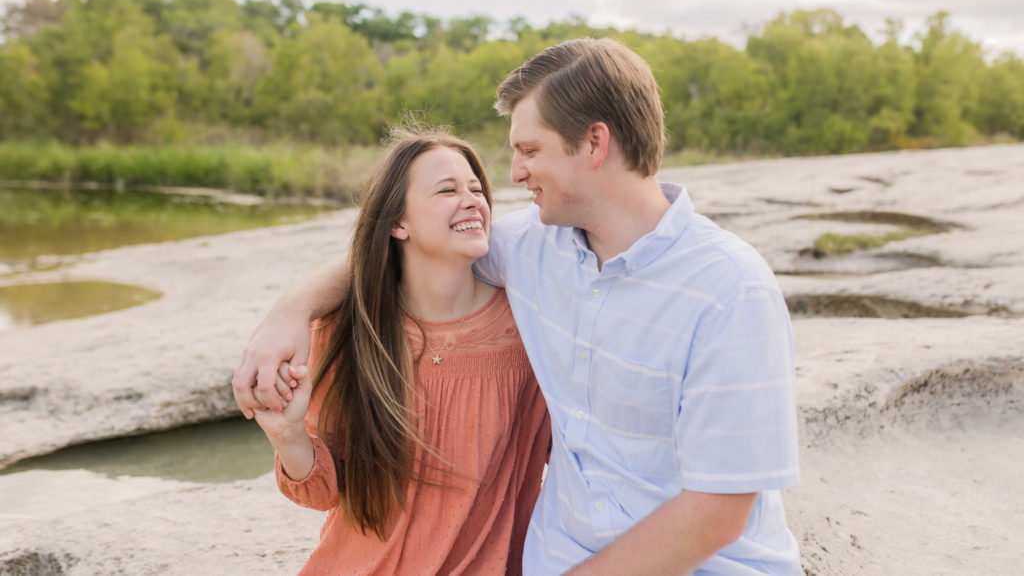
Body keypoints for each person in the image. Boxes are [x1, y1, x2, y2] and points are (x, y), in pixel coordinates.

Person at [235, 38, 801, 575]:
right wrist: (294, 308)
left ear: (596, 143)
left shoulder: (730, 291)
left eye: (530, 150)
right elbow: (400, 252)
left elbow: (717, 513)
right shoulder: (532, 245)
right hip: (555, 556)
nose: (510, 175)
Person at [248, 127, 551, 575]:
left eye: (476, 189)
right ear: (397, 223)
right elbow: (325, 494)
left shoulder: (529, 328)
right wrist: (287, 435)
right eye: (447, 190)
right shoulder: (348, 331)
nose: (472, 201)